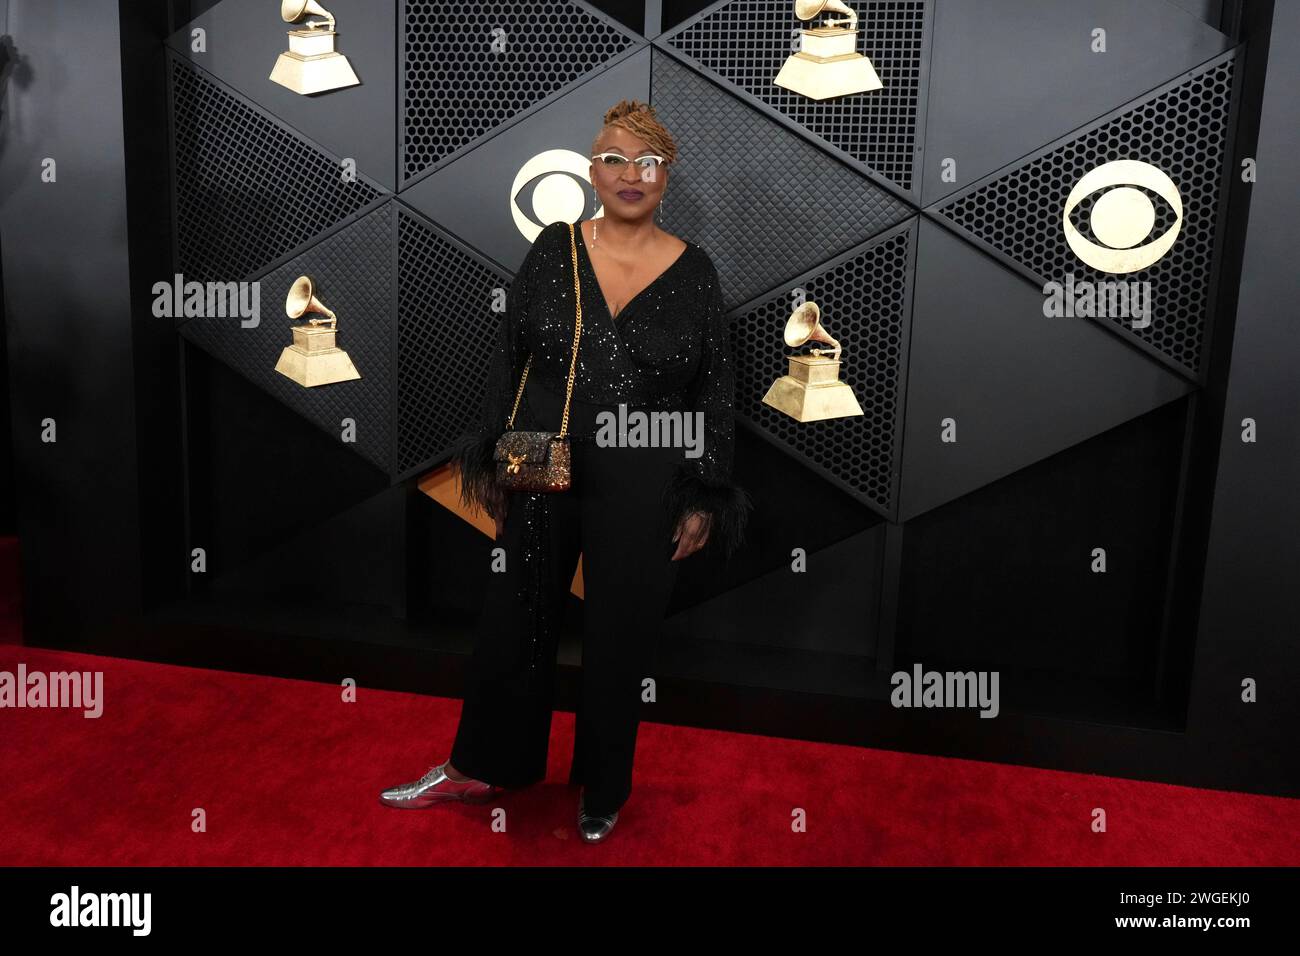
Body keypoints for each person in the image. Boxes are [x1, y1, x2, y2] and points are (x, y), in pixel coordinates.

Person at [379, 99, 753, 842]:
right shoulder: (554, 248)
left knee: (621, 632)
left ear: (666, 177)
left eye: (647, 162)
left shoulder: (695, 271)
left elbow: (714, 390)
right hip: (541, 456)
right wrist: (500, 463)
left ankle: (603, 788)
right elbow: (511, 358)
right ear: (592, 170)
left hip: (646, 471)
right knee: (514, 617)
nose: (630, 174)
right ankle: (483, 764)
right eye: (615, 158)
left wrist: (705, 493)